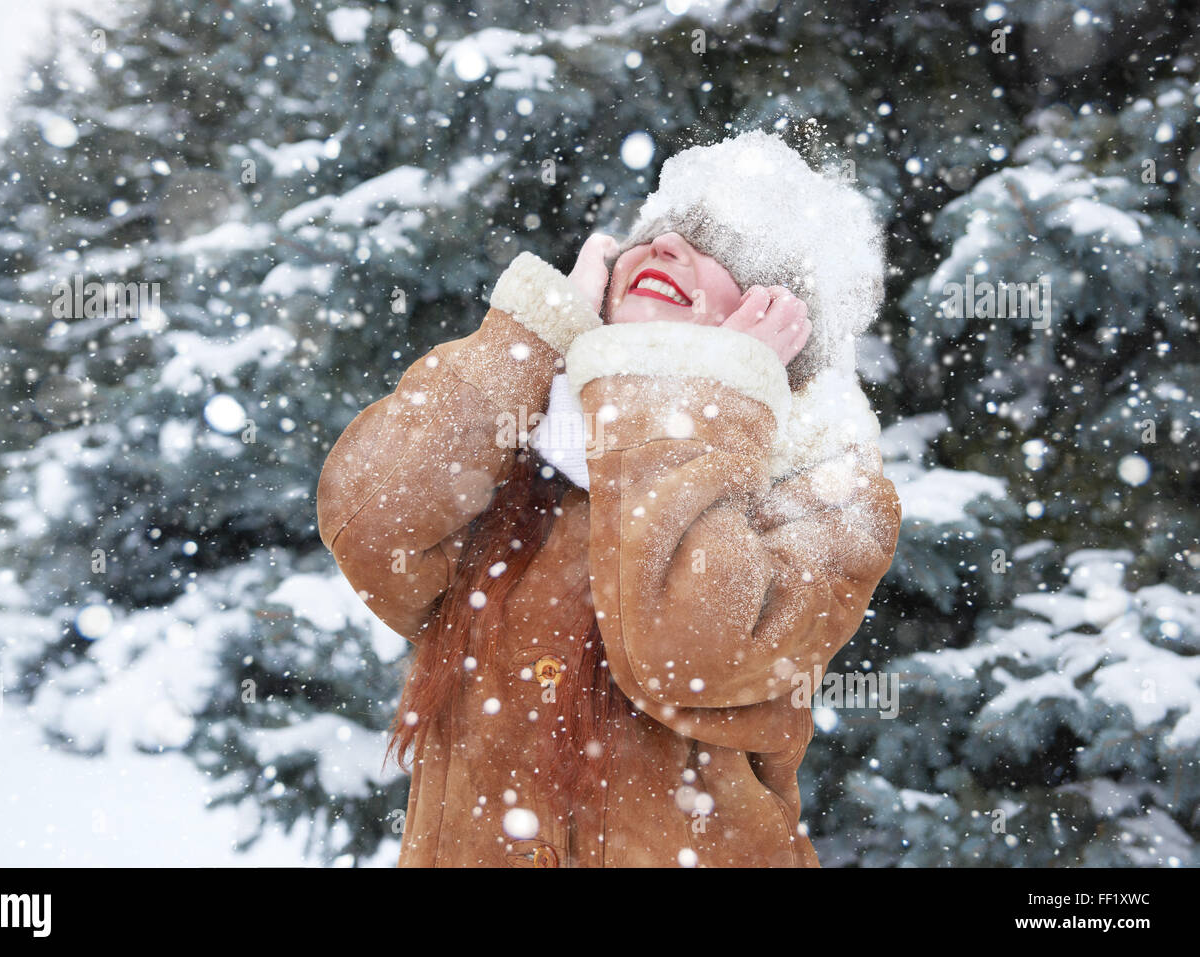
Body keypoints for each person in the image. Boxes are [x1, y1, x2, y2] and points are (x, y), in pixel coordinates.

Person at [317, 130, 902, 867]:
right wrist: (534, 332)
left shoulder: (832, 493)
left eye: (723, 252)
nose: (667, 250)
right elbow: (370, 524)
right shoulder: (516, 433)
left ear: (783, 320)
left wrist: (707, 392)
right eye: (655, 237)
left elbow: (687, 653)